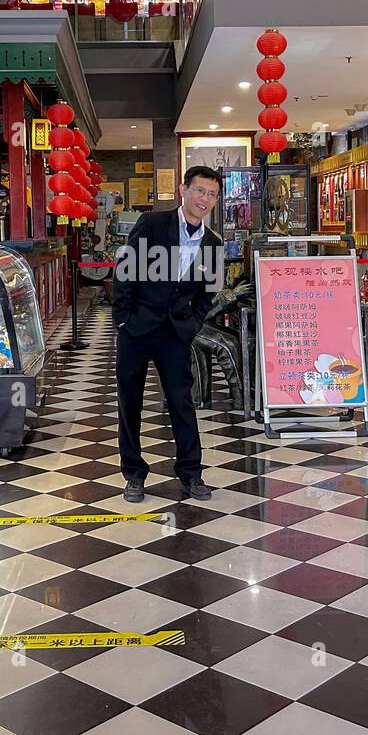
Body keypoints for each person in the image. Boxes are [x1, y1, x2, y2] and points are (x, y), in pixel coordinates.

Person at [112, 165, 224, 504]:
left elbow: (208, 294)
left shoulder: (213, 243)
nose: (205, 199)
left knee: (181, 402)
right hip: (137, 328)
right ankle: (133, 473)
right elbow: (125, 271)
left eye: (212, 195)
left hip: (176, 333)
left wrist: (191, 325)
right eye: (200, 191)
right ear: (183, 190)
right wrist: (123, 321)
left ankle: (191, 473)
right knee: (129, 401)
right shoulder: (152, 224)